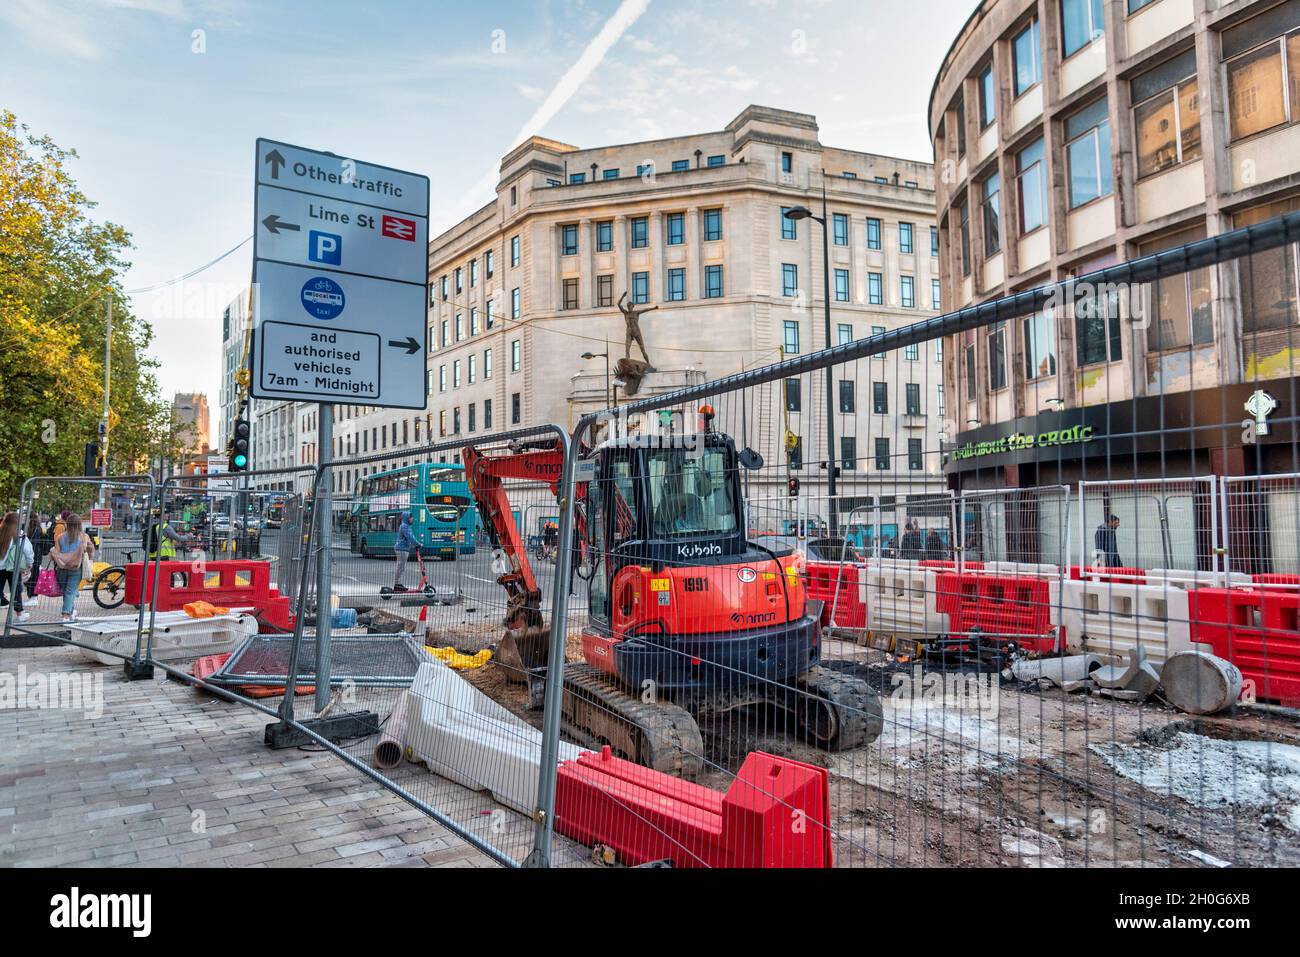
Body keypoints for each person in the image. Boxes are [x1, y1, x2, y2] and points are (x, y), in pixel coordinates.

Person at [49, 512, 94, 623]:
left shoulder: (60, 537)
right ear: (79, 524)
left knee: (67, 592)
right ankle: (66, 615)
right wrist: (91, 559)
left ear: (67, 524)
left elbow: (57, 553)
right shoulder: (84, 537)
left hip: (62, 568)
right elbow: (91, 550)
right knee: (70, 592)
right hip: (76, 568)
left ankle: (69, 612)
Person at [0, 512, 34, 622]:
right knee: (16, 591)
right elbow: (28, 550)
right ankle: (20, 615)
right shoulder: (19, 534)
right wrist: (30, 563)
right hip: (13, 567)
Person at [23, 512, 48, 603]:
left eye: (25, 517)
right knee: (30, 576)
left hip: (35, 556)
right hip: (33, 556)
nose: (23, 519)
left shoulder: (36, 530)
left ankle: (33, 597)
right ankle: (31, 596)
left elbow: (33, 543)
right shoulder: (33, 529)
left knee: (33, 576)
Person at [392, 511, 418, 592]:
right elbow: (410, 537)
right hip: (401, 549)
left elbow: (411, 537)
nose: (412, 518)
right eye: (410, 517)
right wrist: (418, 544)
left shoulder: (407, 526)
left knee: (401, 567)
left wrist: (416, 543)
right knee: (400, 567)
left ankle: (398, 583)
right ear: (407, 518)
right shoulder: (404, 526)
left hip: (403, 549)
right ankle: (397, 584)